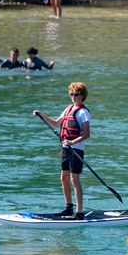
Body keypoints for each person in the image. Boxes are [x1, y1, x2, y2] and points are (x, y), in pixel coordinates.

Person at [33, 82, 91, 219]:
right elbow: (56, 123)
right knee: (64, 178)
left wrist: (72, 142)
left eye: (76, 94)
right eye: (71, 94)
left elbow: (87, 134)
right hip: (66, 149)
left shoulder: (83, 112)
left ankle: (79, 212)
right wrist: (42, 115)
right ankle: (69, 207)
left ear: (82, 96)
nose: (73, 97)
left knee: (74, 179)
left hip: (76, 149)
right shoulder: (68, 109)